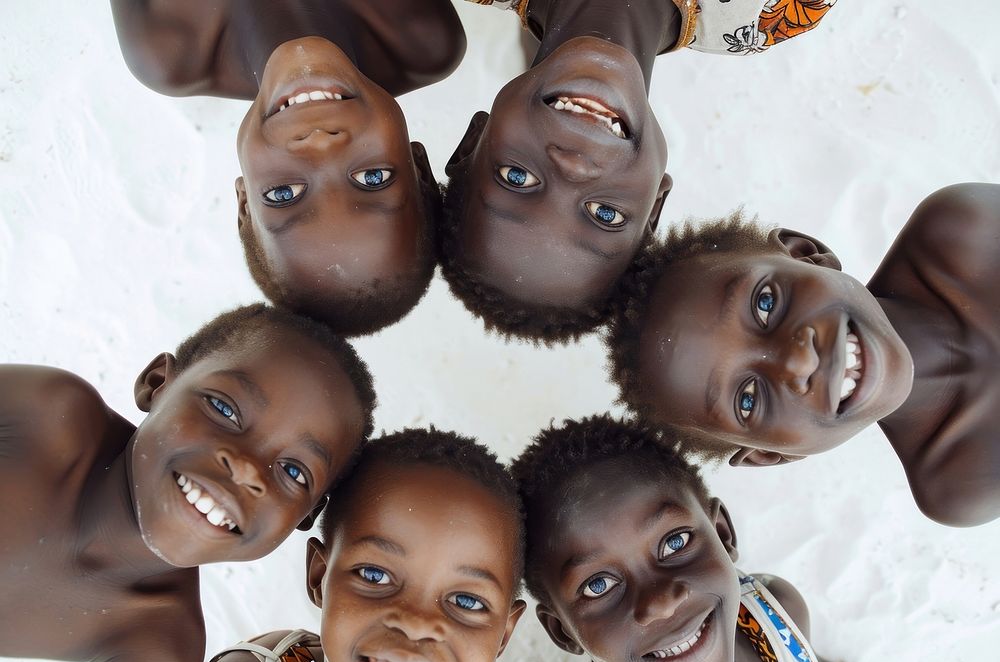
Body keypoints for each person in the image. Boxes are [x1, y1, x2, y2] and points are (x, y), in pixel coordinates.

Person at [441, 0, 837, 343]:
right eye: (605, 214)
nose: (575, 166)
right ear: (654, 205)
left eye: (516, 178)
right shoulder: (771, 14)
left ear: (472, 142)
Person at [0, 304, 375, 662]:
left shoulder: (161, 641)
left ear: (306, 516)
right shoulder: (42, 418)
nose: (246, 469)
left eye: (294, 472)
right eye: (224, 409)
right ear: (157, 384)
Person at [607, 183, 1000, 527]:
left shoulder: (967, 230)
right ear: (772, 454)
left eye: (765, 303)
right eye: (748, 399)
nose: (798, 363)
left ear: (806, 253)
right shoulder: (957, 485)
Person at [112, 1, 467, 335]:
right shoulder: (421, 37)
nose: (321, 144)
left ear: (244, 203)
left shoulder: (168, 47)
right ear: (418, 166)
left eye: (284, 194)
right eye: (372, 178)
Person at [511, 414, 830, 662]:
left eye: (675, 542)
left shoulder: (778, 614)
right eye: (599, 585)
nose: (661, 604)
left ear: (722, 533)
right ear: (564, 632)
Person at [208, 428, 527, 662]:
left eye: (467, 602)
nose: (415, 624)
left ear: (504, 633)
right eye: (375, 575)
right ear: (319, 576)